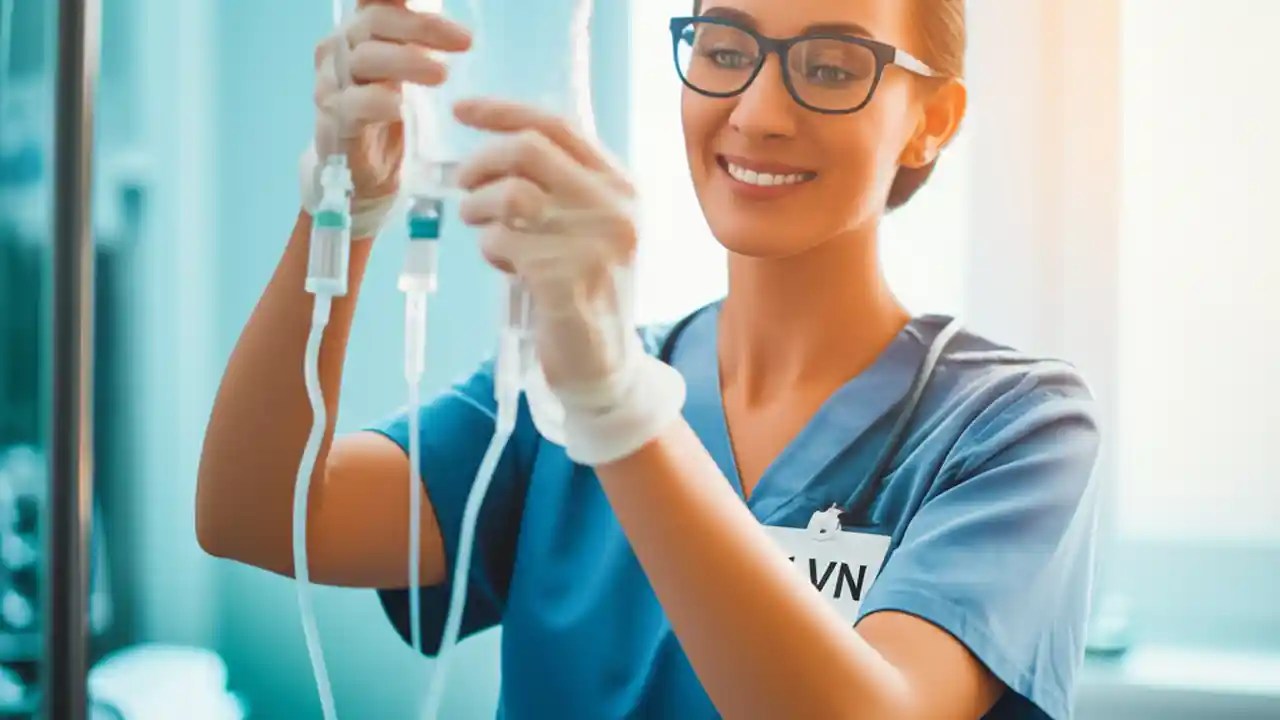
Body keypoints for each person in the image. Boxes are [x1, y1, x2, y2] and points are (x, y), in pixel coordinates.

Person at [196, 0, 1102, 718]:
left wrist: (616, 404)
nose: (758, 112)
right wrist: (343, 205)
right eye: (724, 50)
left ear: (931, 120)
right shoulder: (552, 399)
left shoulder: (1011, 429)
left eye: (830, 67)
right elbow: (256, 512)